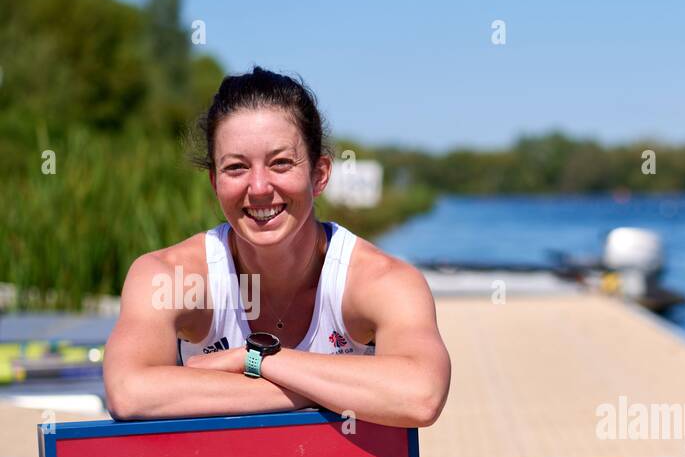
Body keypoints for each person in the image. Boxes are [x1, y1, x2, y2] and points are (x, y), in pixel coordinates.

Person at [104, 67, 450, 429]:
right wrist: (328, 392)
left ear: (319, 175)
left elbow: (420, 396)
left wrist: (255, 360)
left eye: (280, 163)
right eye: (236, 167)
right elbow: (128, 392)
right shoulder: (170, 275)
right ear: (215, 181)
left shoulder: (382, 281)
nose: (258, 187)